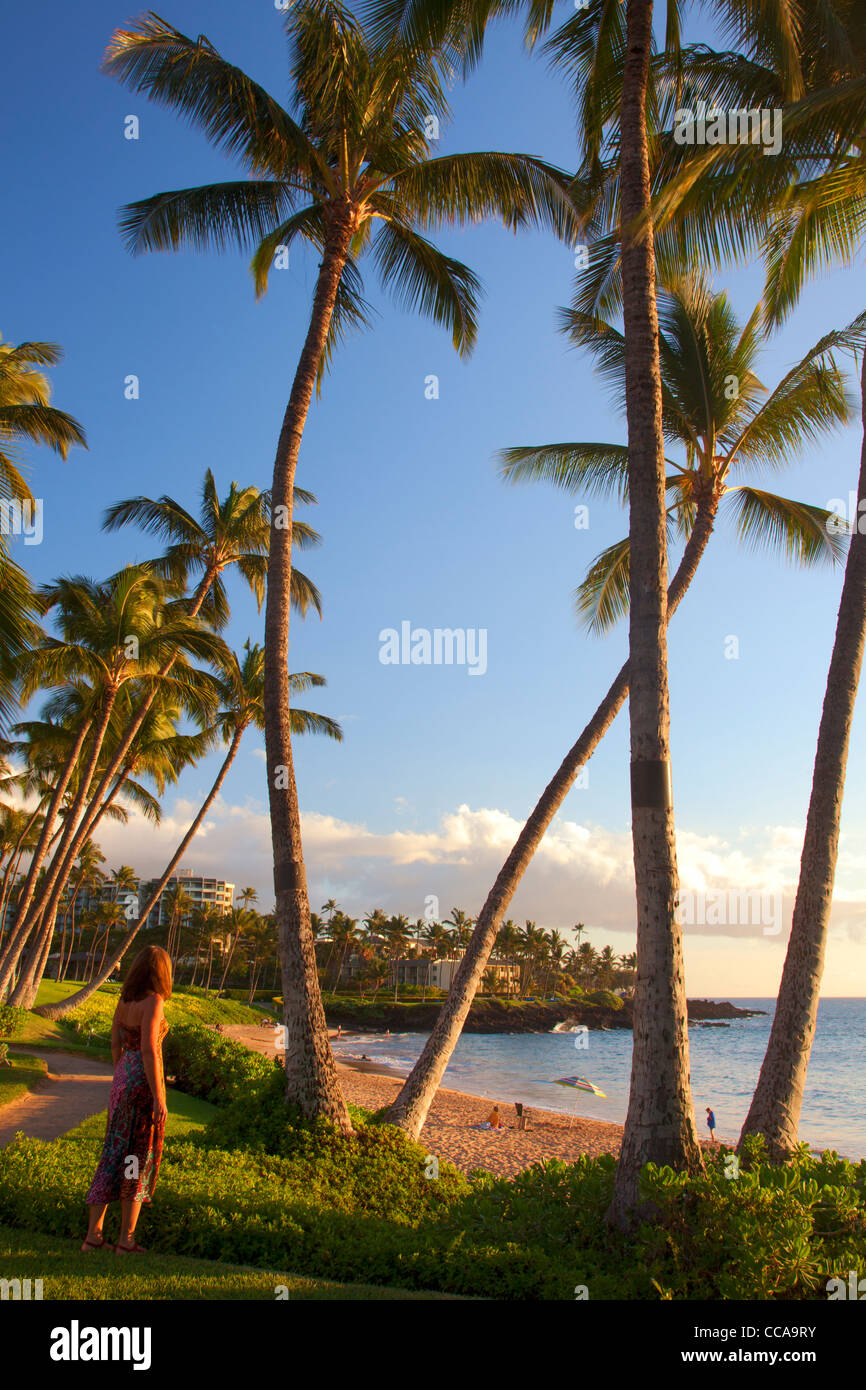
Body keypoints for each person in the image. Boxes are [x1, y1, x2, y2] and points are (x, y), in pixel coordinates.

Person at [81, 944, 171, 1254]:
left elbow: (116, 1042)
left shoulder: (125, 1000)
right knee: (136, 1156)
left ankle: (93, 1236)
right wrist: (159, 1096)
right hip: (141, 1084)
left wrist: (122, 1072)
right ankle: (126, 1240)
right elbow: (150, 1050)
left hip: (122, 1078)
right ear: (162, 972)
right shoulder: (153, 1002)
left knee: (112, 1153)